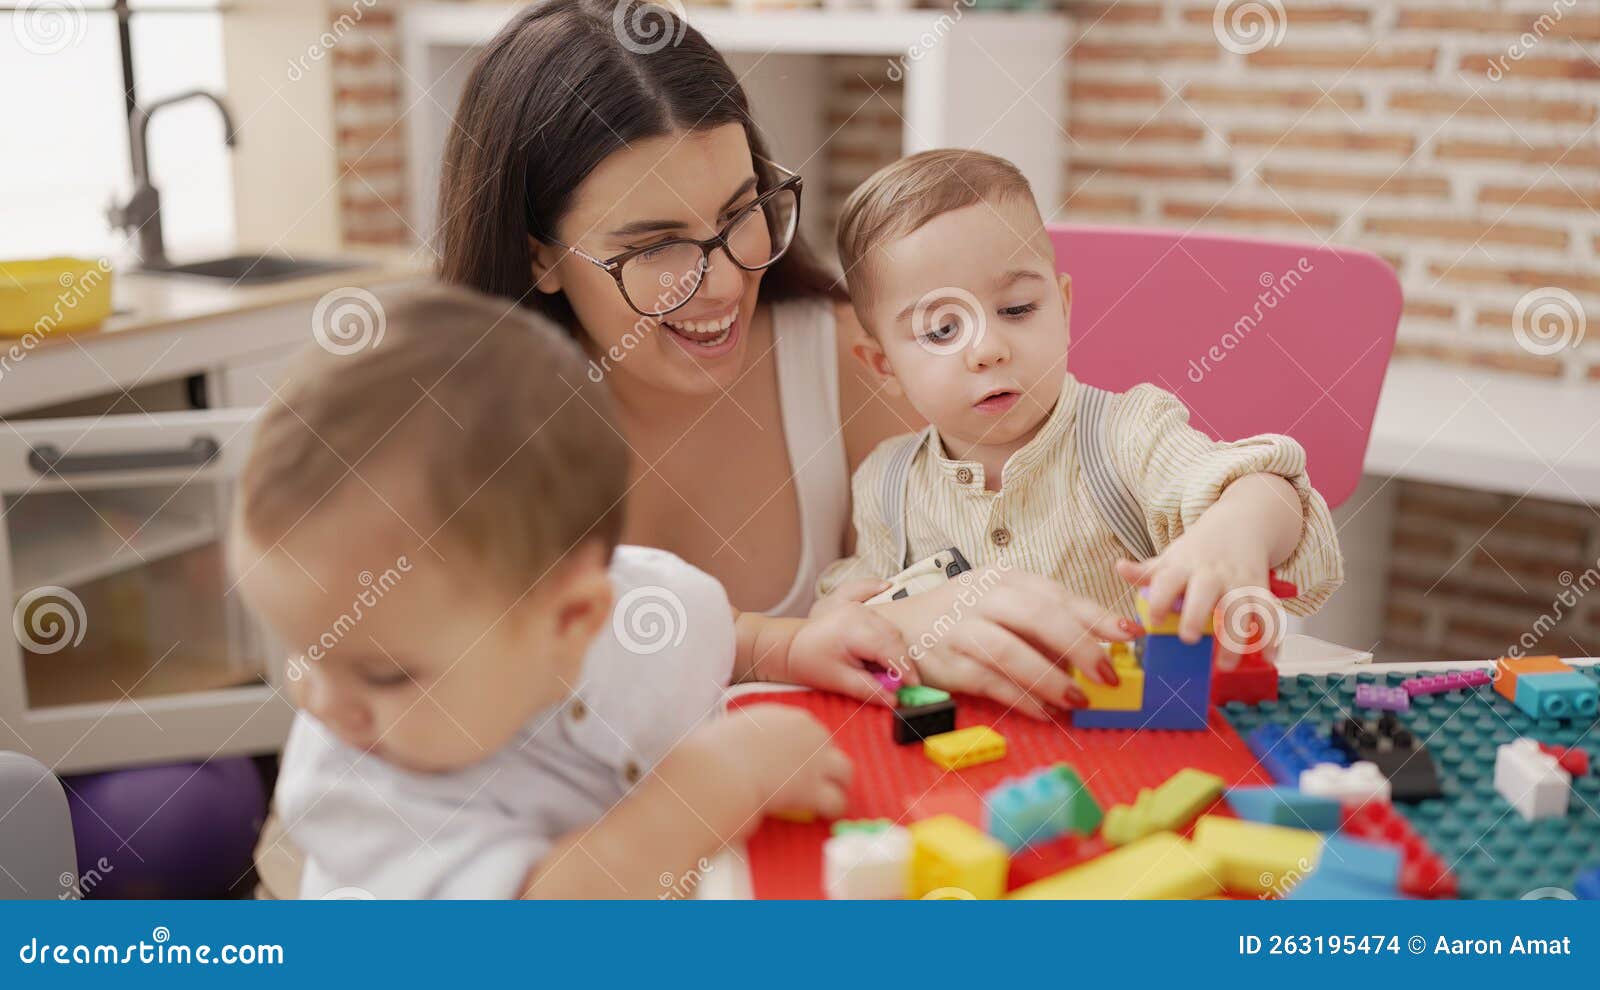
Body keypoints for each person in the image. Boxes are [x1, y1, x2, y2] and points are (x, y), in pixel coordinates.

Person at [435, 0, 1131, 717]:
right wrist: (854, 634)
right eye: (656, 247)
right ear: (539, 256)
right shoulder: (477, 438)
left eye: (741, 214)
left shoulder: (850, 362)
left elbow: (1015, 560)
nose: (729, 281)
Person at [233, 286, 913, 897]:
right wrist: (718, 783)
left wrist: (791, 647)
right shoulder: (349, 790)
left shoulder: (638, 604)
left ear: (576, 620)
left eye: (381, 673)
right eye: (303, 649)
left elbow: (720, 633)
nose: (317, 698)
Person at [820, 149, 1345, 718]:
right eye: (943, 329)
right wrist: (834, 621)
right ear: (883, 367)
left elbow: (1269, 490)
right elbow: (857, 626)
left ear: (1064, 306)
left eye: (1018, 309)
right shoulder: (886, 483)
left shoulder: (1127, 434)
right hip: (978, 757)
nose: (988, 349)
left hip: (1141, 736)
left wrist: (1237, 529)